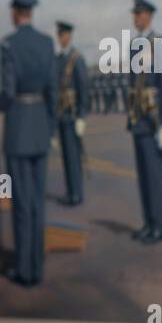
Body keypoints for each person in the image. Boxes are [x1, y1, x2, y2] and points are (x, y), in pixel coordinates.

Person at [0, 0, 56, 286]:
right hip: (40, 126)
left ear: (16, 12)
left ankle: (24, 270)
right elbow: (53, 90)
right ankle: (37, 265)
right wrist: (51, 127)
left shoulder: (8, 45)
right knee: (38, 202)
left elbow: (7, 91)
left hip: (18, 128)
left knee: (22, 203)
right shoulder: (46, 43)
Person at [126, 0, 162, 244]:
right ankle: (148, 222)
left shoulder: (161, 44)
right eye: (134, 14)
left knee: (154, 176)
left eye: (140, 14)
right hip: (138, 120)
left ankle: (159, 227)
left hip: (153, 120)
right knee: (143, 175)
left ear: (149, 16)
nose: (136, 18)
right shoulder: (135, 45)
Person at [54, 21, 88, 206]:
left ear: (70, 36)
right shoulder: (58, 59)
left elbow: (83, 88)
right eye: (59, 35)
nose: (62, 38)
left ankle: (77, 193)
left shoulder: (77, 58)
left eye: (64, 35)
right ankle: (70, 190)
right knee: (66, 156)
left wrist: (82, 116)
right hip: (62, 113)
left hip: (73, 114)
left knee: (74, 157)